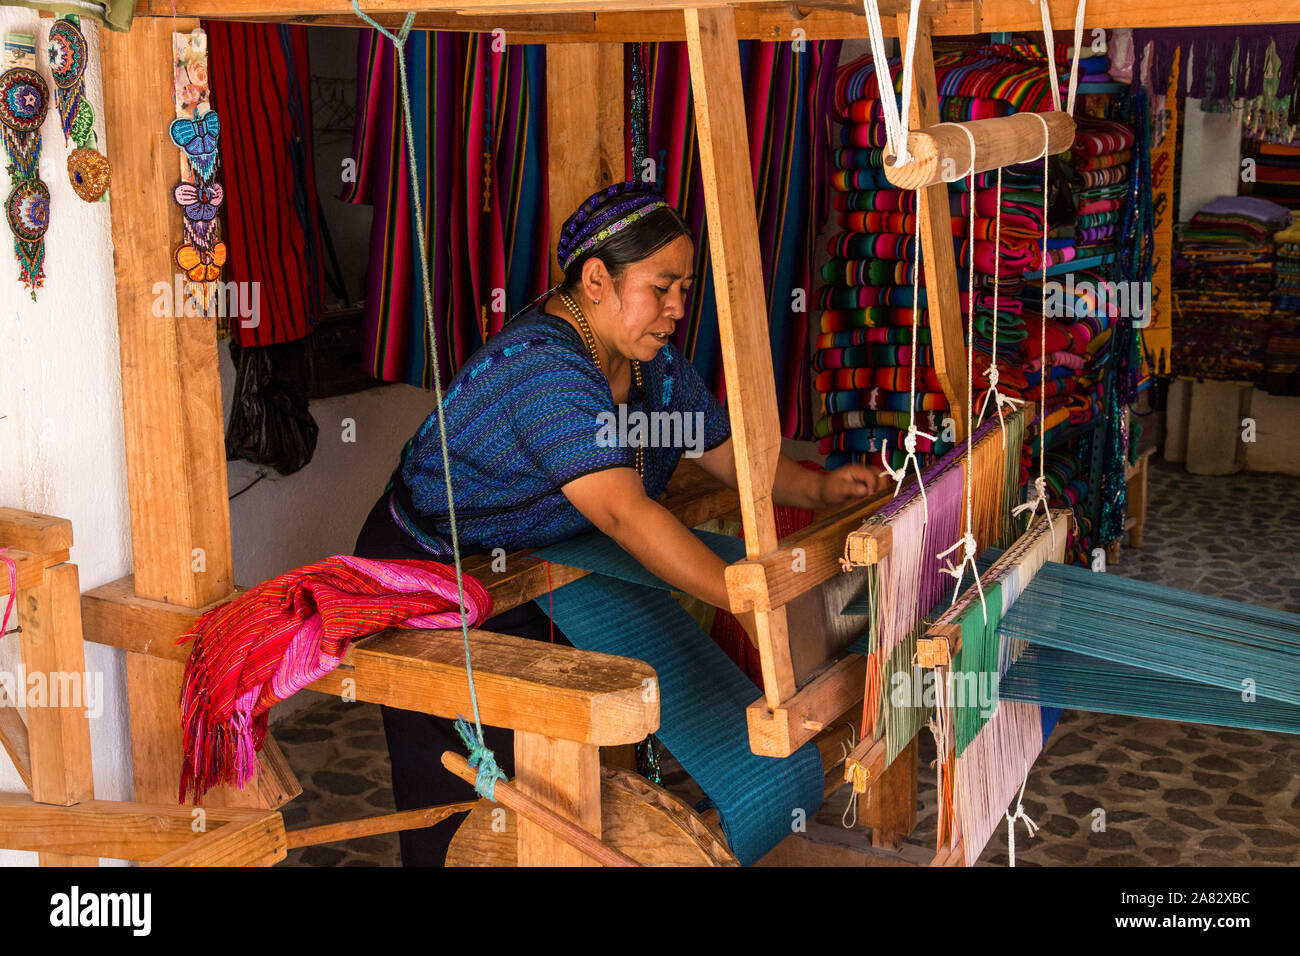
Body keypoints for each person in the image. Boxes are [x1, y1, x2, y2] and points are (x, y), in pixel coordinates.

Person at [354, 180, 886, 865]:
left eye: (685, 290)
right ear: (597, 279)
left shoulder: (654, 372)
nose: (675, 309)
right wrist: (743, 596)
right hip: (429, 573)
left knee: (558, 774)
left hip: (535, 562)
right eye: (661, 287)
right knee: (464, 786)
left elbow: (729, 456)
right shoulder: (541, 372)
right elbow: (625, 514)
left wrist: (818, 487)